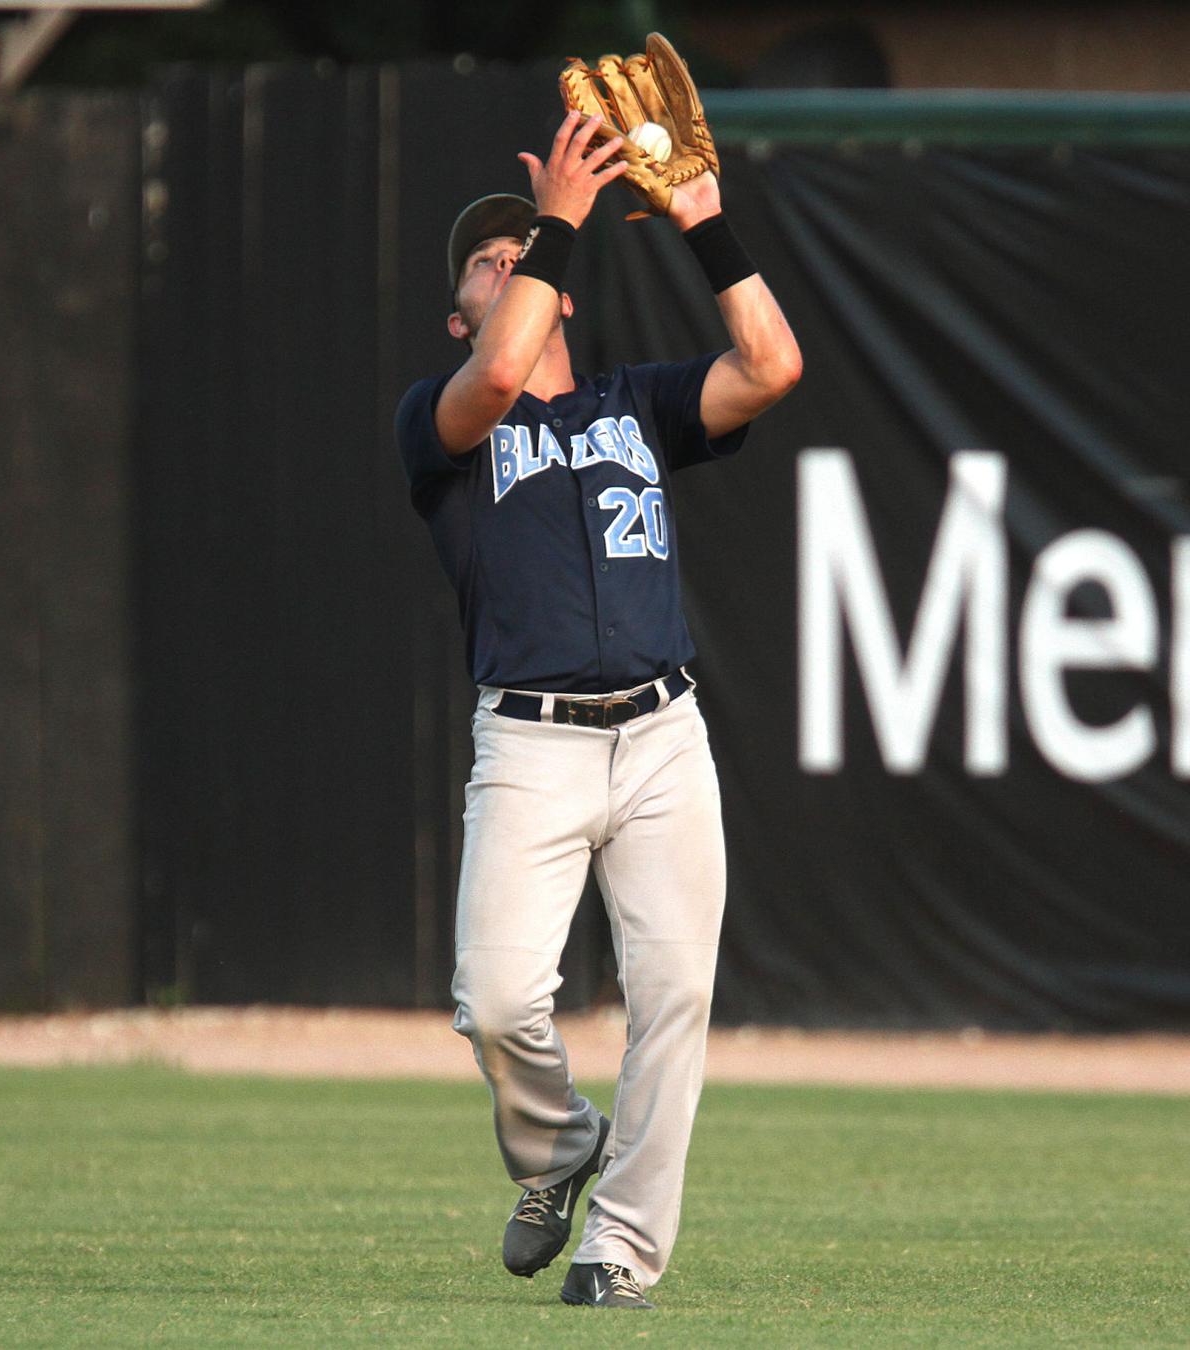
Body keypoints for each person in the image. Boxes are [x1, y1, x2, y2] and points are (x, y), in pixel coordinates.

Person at [394, 109, 801, 1310]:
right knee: (500, 1000)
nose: (511, 257)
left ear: (568, 296)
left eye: (524, 253)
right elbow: (502, 376)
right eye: (487, 260)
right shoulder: (443, 421)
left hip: (664, 737)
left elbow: (772, 366)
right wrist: (559, 219)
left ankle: (619, 1245)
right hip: (529, 743)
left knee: (674, 996)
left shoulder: (637, 403)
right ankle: (560, 1147)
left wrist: (703, 222)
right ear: (462, 316)